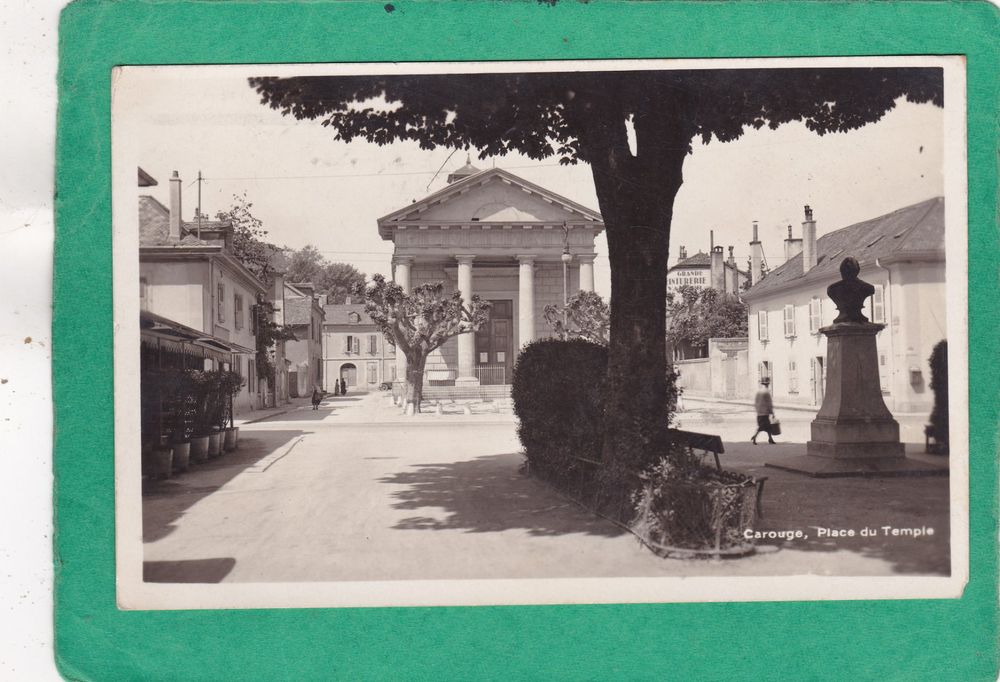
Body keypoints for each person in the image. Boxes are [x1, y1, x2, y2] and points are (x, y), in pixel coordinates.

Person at [751, 377, 776, 444]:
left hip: (759, 412)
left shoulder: (758, 391)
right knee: (762, 427)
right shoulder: (767, 392)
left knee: (768, 427)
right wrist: (772, 412)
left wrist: (758, 410)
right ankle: (754, 437)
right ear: (767, 384)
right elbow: (769, 403)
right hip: (764, 413)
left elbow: (756, 402)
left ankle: (770, 439)